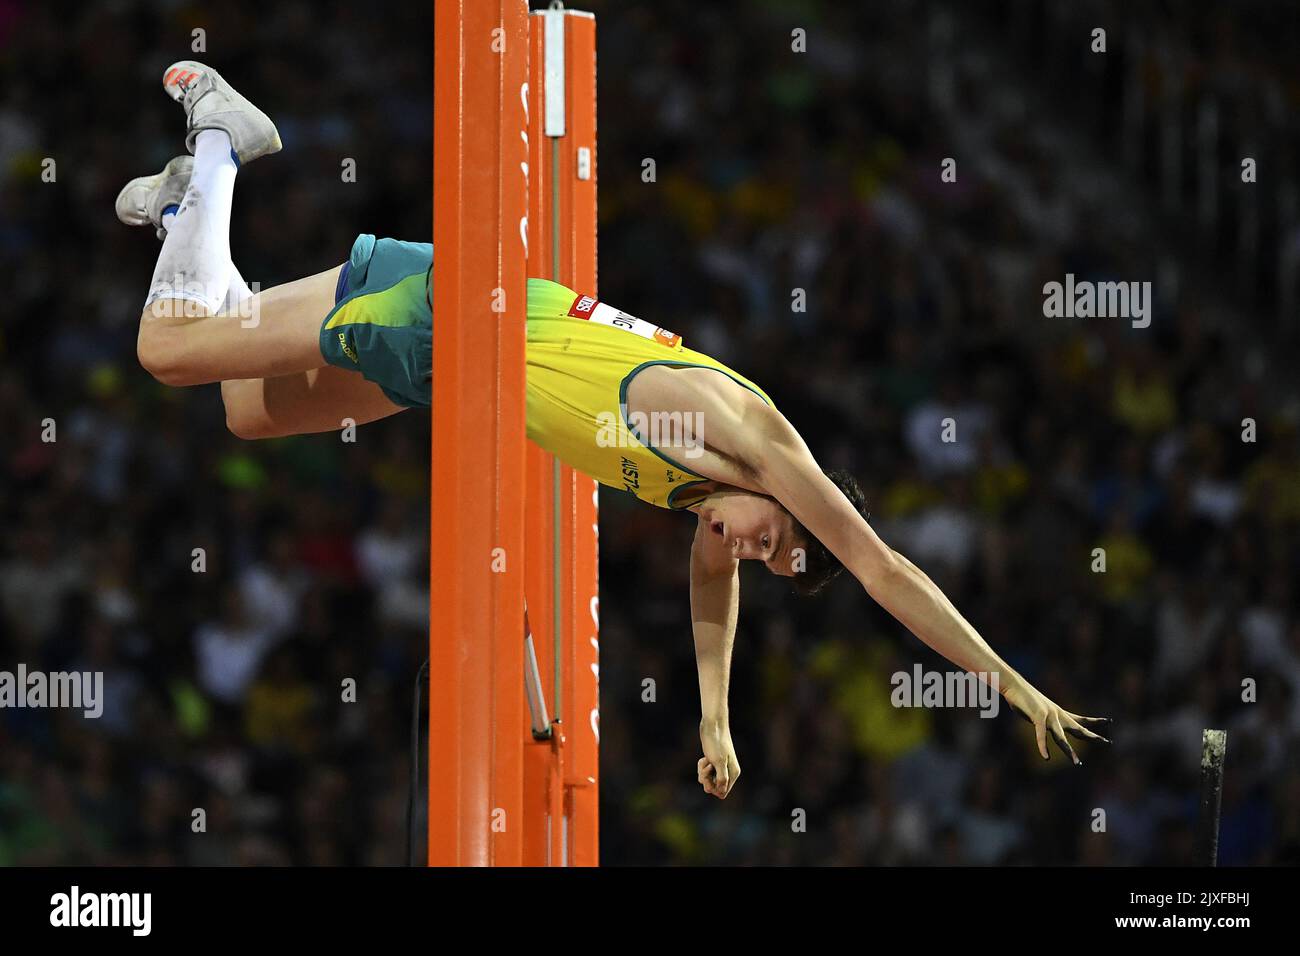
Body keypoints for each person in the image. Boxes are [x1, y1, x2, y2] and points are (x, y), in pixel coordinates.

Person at [120, 61, 1110, 801]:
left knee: (245, 407)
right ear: (795, 502)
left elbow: (708, 586)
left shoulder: (710, 498)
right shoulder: (753, 437)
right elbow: (886, 571)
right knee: (169, 349)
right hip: (448, 320)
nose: (743, 546)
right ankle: (218, 143)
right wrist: (1012, 686)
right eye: (776, 538)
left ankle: (184, 212)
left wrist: (714, 719)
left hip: (457, 352)